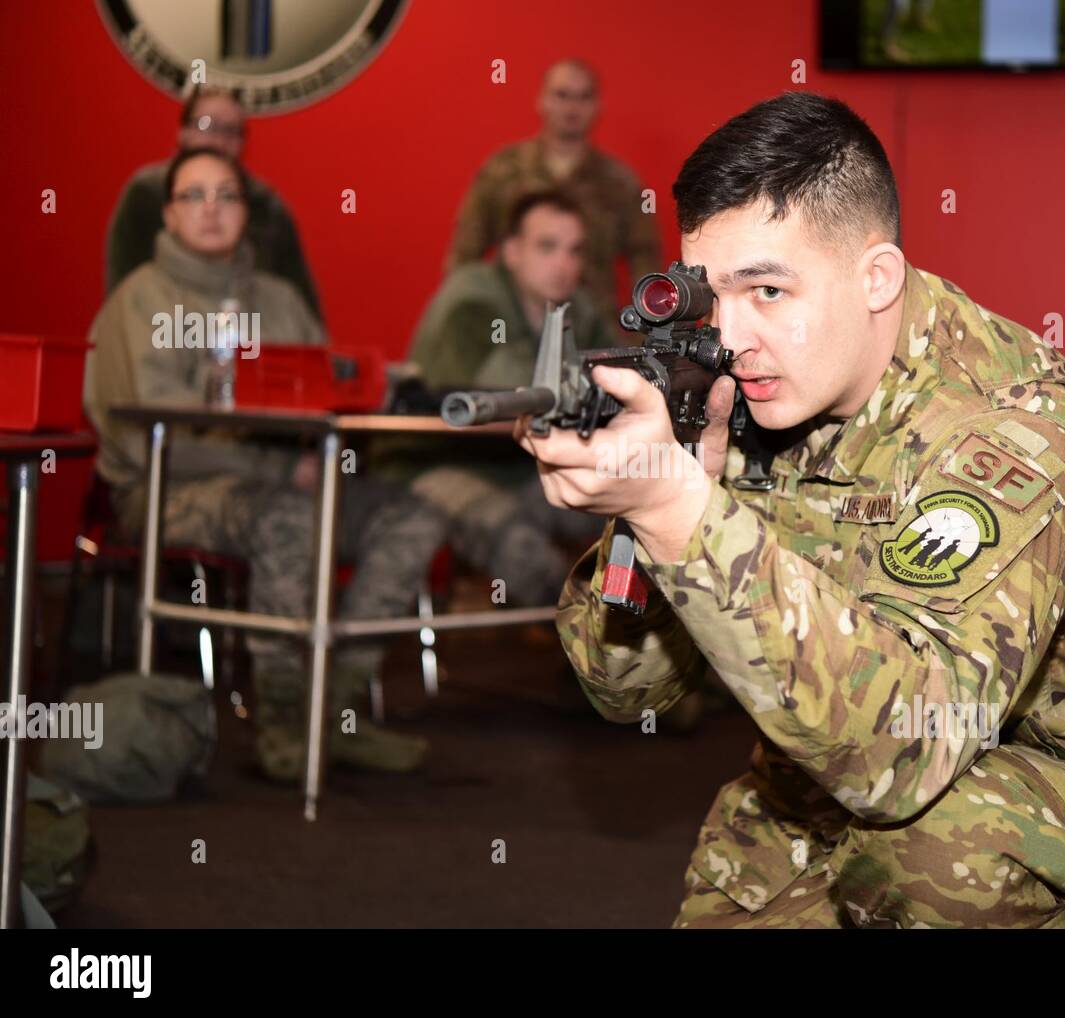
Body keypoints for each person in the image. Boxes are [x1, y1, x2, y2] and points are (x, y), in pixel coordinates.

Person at [518, 93, 1065, 928]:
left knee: (939, 851)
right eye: (712, 296)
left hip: (1036, 817)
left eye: (768, 290)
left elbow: (910, 749)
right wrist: (645, 520)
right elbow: (625, 691)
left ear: (877, 277)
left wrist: (680, 509)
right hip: (811, 800)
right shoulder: (742, 399)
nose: (730, 338)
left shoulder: (1021, 432)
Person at [84, 147, 441, 782]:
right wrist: (280, 470)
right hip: (166, 491)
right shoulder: (141, 302)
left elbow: (330, 394)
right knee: (291, 516)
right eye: (194, 195)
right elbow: (148, 437)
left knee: (412, 515)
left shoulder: (278, 300)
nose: (212, 209)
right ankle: (282, 723)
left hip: (291, 483)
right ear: (168, 215)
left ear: (247, 213)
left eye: (228, 195)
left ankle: (335, 711)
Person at [378, 191, 613, 608]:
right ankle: (583, 653)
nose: (564, 264)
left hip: (517, 463)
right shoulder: (471, 301)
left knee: (630, 508)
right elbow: (510, 389)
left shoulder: (576, 306)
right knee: (519, 542)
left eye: (575, 250)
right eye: (547, 246)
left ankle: (625, 652)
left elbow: (620, 373)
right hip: (430, 463)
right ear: (511, 252)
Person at [444, 59, 660, 321]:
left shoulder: (619, 182)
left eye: (583, 97)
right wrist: (460, 312)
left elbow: (646, 262)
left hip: (592, 328)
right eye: (562, 95)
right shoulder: (502, 170)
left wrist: (649, 325)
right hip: (511, 325)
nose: (572, 107)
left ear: (597, 106)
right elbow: (466, 252)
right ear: (542, 101)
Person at [104, 85, 321, 317]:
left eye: (231, 130)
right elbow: (121, 285)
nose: (218, 140)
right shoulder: (147, 195)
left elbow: (303, 311)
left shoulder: (267, 207)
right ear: (183, 132)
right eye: (207, 125)